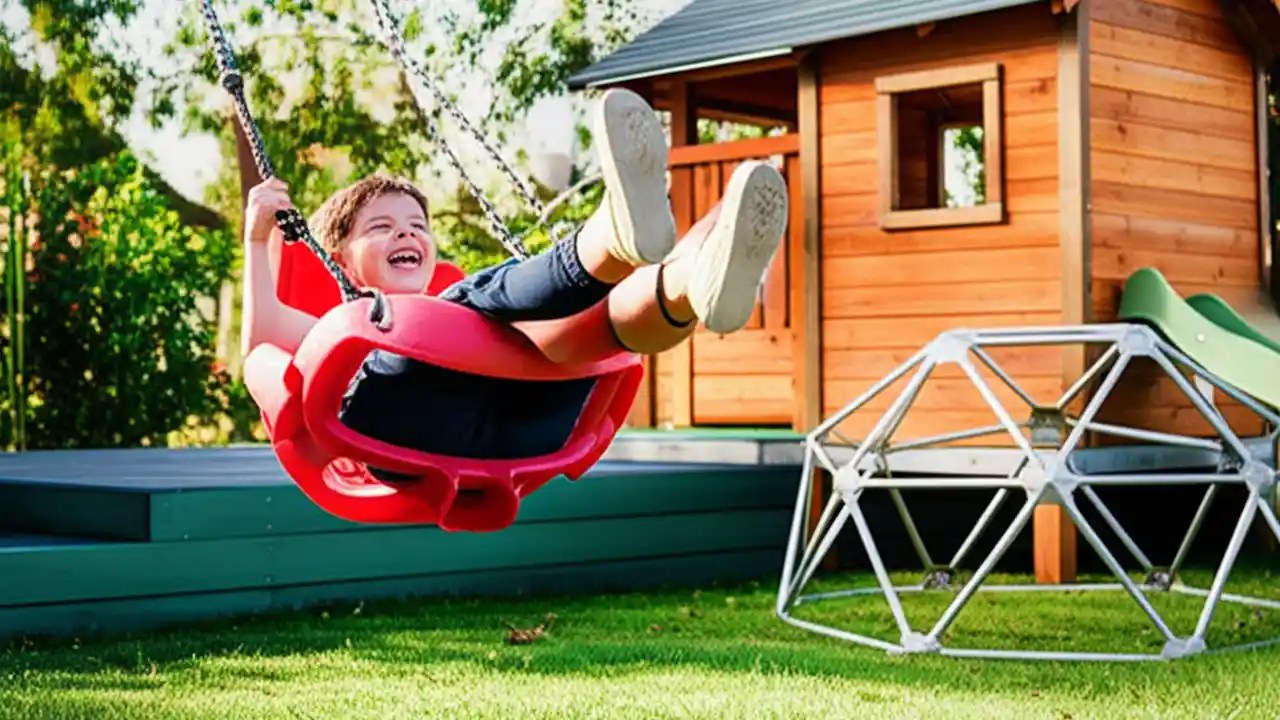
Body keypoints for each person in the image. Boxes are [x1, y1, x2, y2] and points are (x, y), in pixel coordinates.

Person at [242, 89, 788, 476]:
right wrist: (255, 240)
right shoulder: (338, 326)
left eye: (416, 226)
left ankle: (689, 282)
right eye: (380, 228)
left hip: (522, 434)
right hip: (394, 429)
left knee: (571, 334)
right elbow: (260, 343)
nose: (404, 235)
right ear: (340, 260)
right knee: (465, 307)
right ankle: (609, 239)